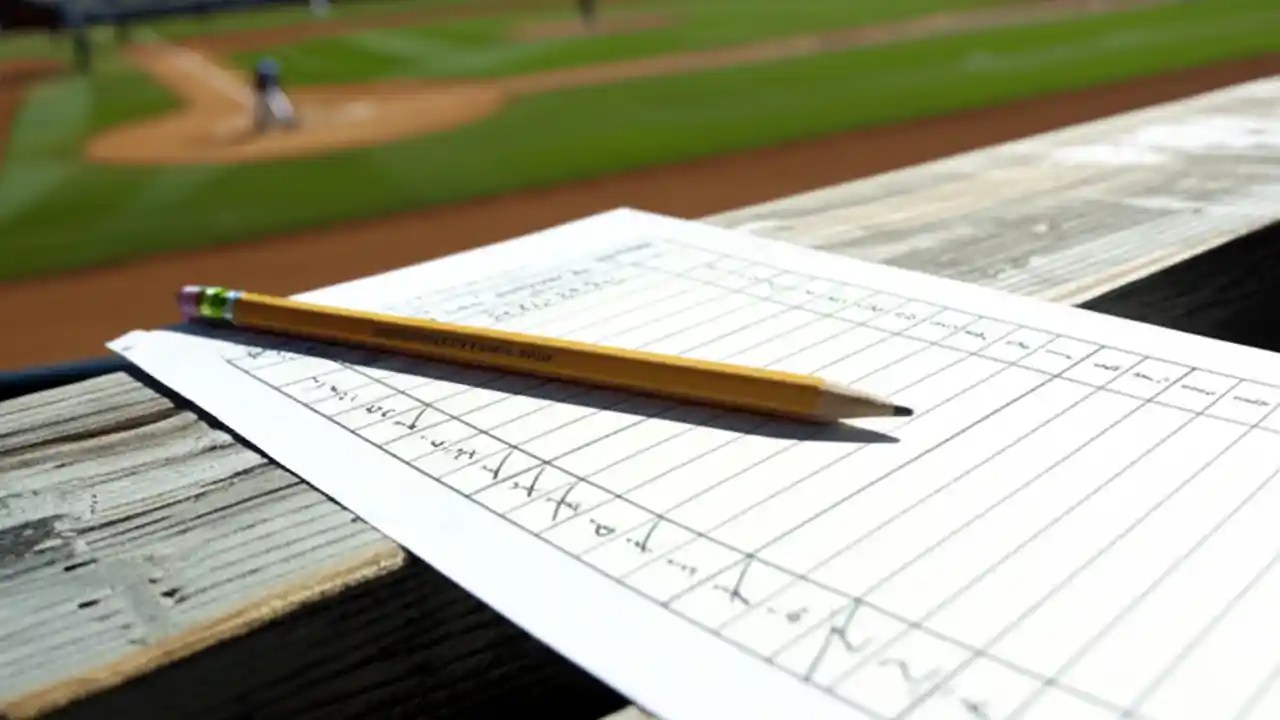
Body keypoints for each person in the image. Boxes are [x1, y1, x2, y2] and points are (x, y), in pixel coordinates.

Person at [252, 56, 297, 132]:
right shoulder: (268, 75)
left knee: (276, 107)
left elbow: (256, 85)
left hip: (269, 92)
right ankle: (264, 124)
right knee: (272, 108)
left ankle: (287, 121)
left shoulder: (262, 75)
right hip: (266, 92)